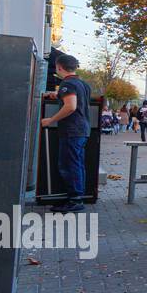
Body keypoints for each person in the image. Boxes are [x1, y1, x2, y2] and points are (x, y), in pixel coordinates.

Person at [39, 53, 91, 212]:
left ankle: (75, 201)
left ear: (59, 67)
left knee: (69, 165)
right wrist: (58, 95)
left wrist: (50, 120)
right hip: (82, 130)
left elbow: (71, 106)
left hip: (71, 131)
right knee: (77, 164)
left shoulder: (67, 84)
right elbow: (77, 101)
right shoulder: (82, 84)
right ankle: (76, 198)